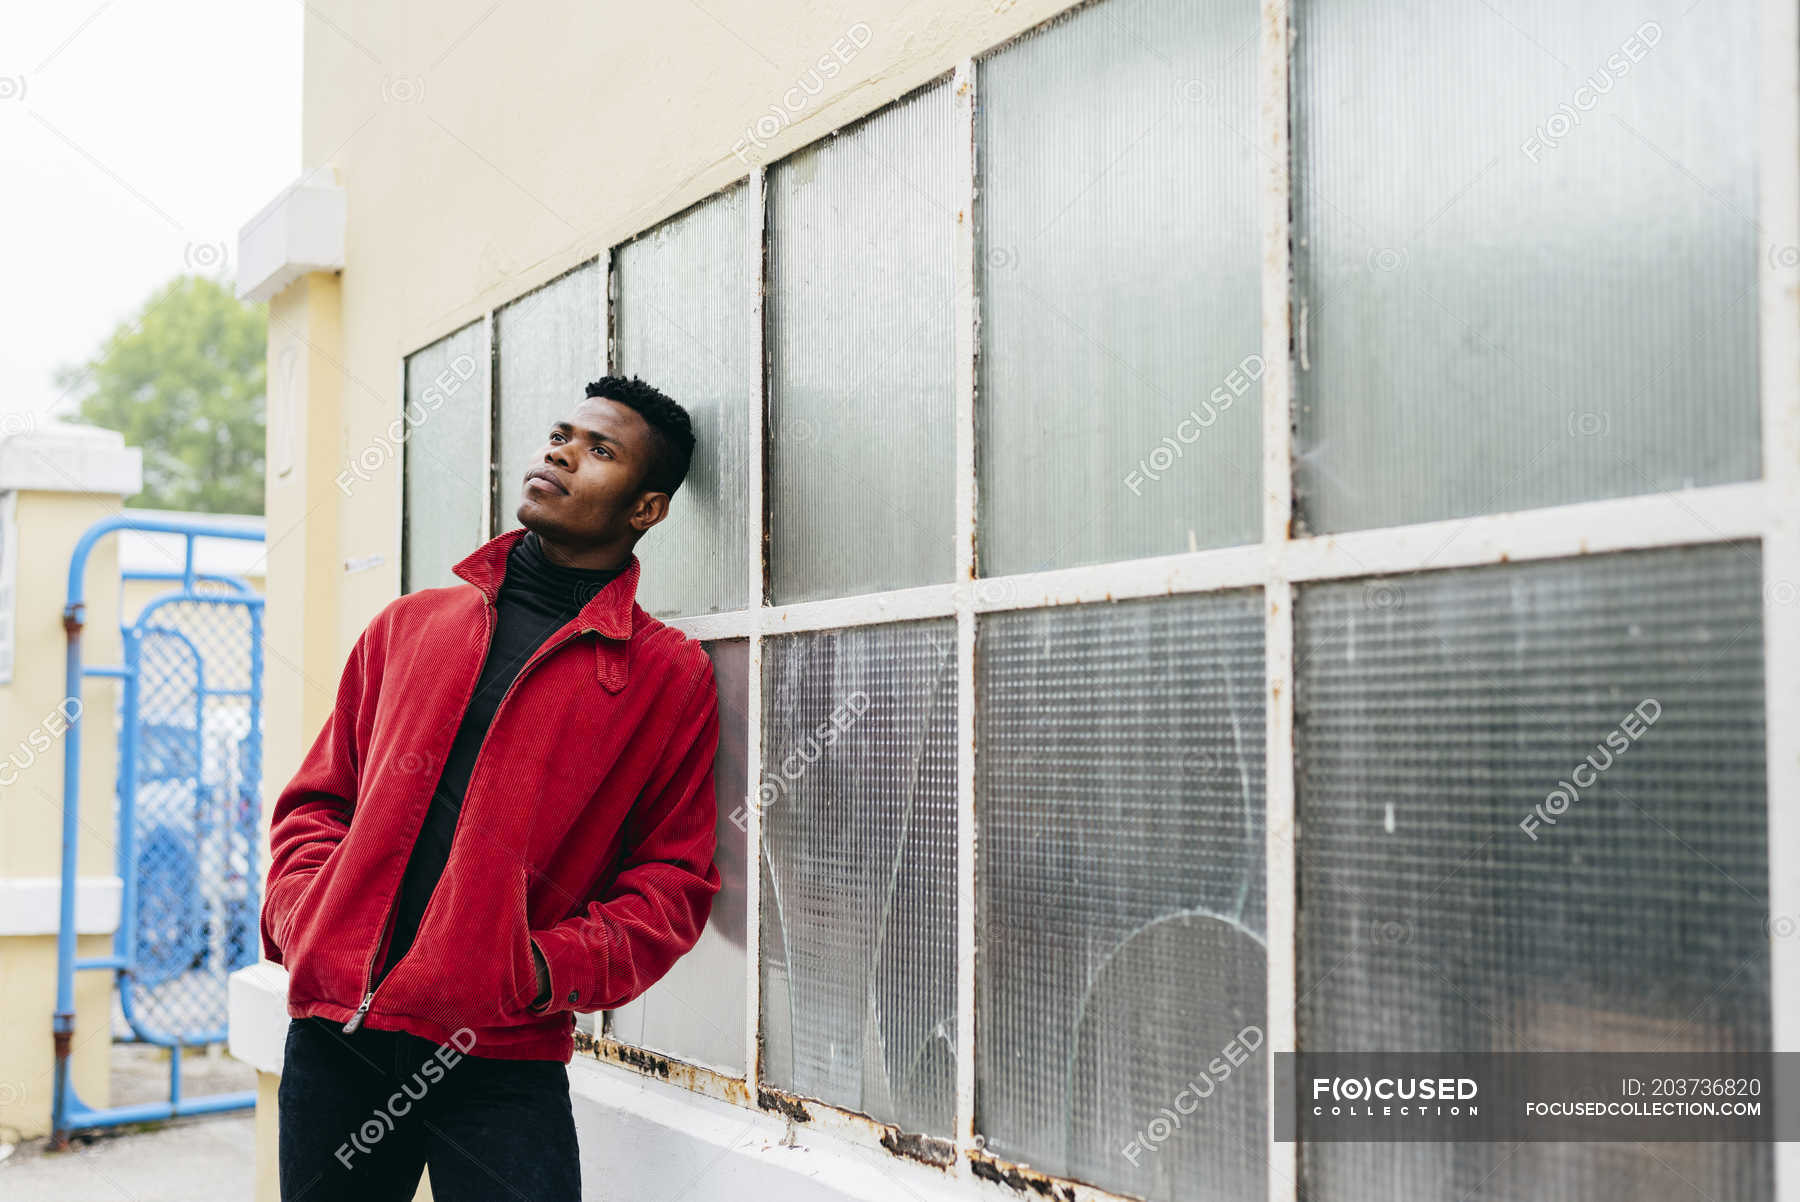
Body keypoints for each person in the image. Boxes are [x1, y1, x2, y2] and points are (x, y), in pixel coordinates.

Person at [262, 375, 722, 1201]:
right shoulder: (408, 627)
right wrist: (305, 917)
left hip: (501, 1054)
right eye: (561, 435)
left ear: (645, 509)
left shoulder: (665, 676)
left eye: (599, 450)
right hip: (337, 1041)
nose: (561, 452)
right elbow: (318, 803)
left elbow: (673, 883)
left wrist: (539, 971)